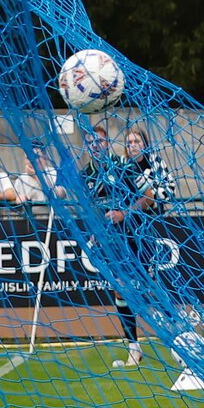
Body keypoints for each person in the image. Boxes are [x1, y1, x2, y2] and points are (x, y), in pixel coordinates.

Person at [78, 123, 149, 368]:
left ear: (107, 143)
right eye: (90, 142)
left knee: (149, 289)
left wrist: (124, 213)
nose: (95, 146)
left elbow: (148, 196)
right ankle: (134, 347)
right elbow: (87, 208)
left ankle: (181, 344)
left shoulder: (122, 165)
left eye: (99, 141)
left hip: (135, 235)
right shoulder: (85, 174)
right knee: (119, 290)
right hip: (109, 243)